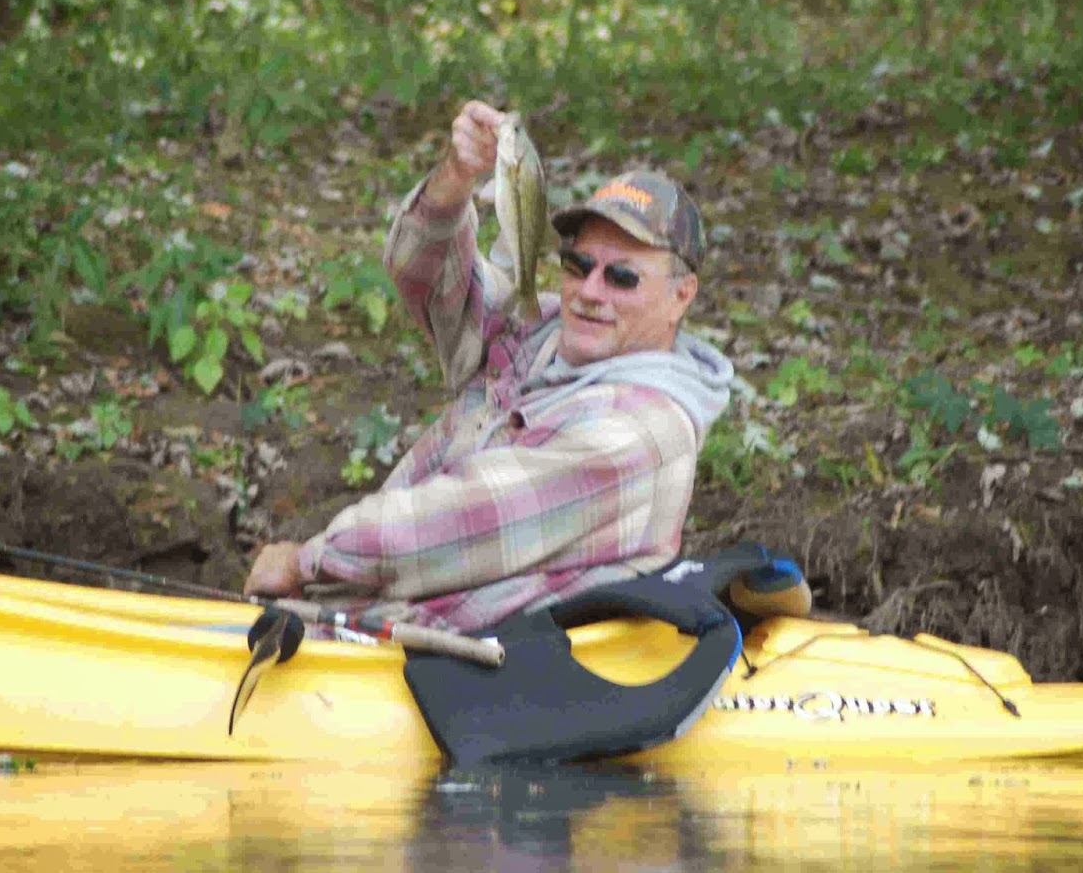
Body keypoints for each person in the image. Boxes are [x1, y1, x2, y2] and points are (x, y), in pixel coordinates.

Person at [242, 100, 734, 632]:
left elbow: (451, 524)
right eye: (578, 265)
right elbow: (425, 274)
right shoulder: (544, 330)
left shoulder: (642, 431)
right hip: (368, 616)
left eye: (622, 278)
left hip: (437, 656)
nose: (590, 292)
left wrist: (305, 561)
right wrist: (456, 177)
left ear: (681, 295)